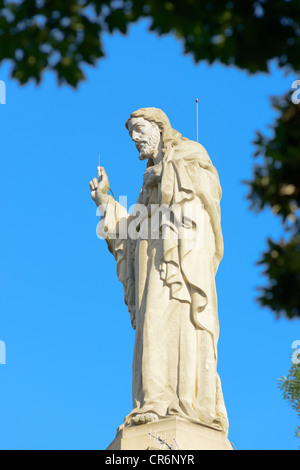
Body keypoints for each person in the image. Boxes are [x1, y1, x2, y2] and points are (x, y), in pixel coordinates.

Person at [89, 108, 229, 433]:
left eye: (139, 130)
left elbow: (209, 191)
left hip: (180, 267)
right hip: (151, 268)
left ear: (159, 127)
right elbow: (129, 232)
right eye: (131, 134)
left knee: (180, 326)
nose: (135, 139)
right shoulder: (146, 187)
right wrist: (105, 200)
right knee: (151, 326)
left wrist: (166, 173)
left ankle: (181, 402)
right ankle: (153, 401)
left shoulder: (190, 155)